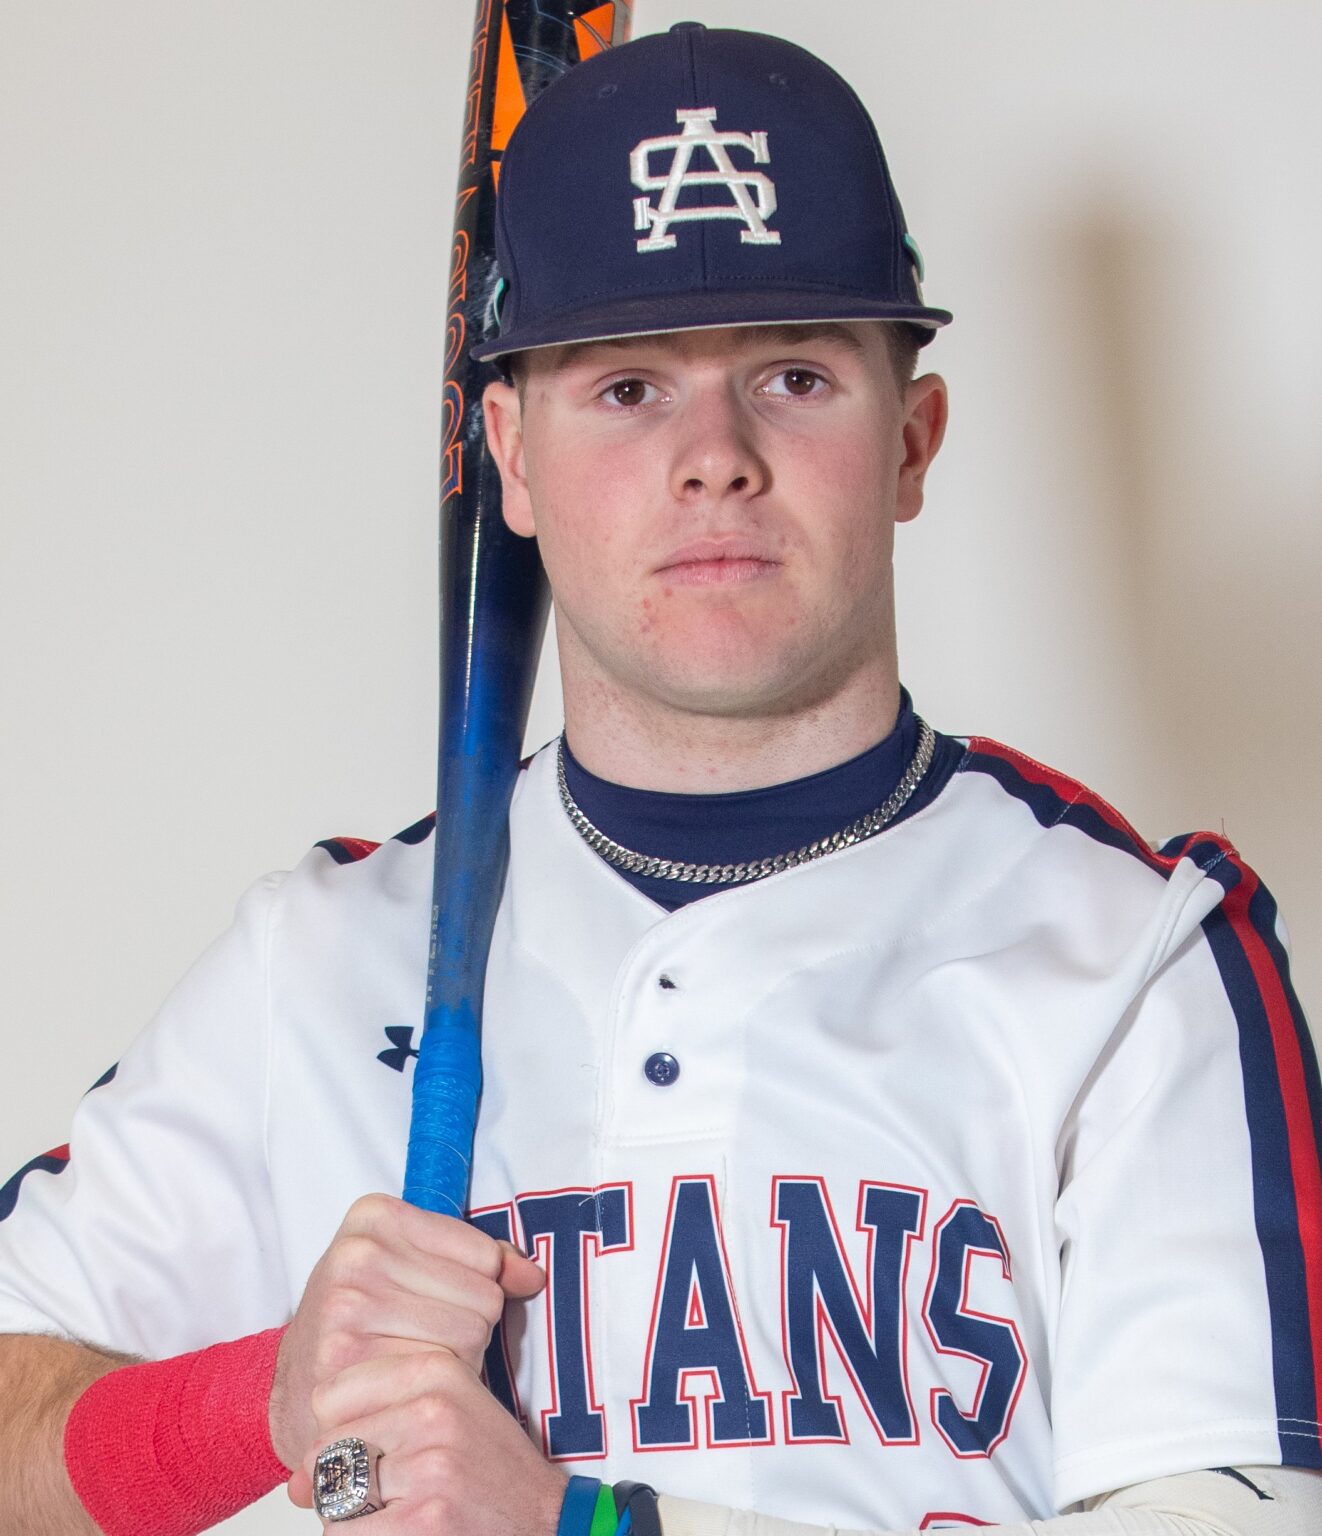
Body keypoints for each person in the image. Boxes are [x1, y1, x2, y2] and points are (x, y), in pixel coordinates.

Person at [1, 20, 1319, 1536]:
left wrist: (586, 1526)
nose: (714, 456)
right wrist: (259, 1405)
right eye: (627, 388)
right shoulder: (319, 957)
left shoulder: (1136, 961)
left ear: (913, 440)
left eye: (794, 375)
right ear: (507, 454)